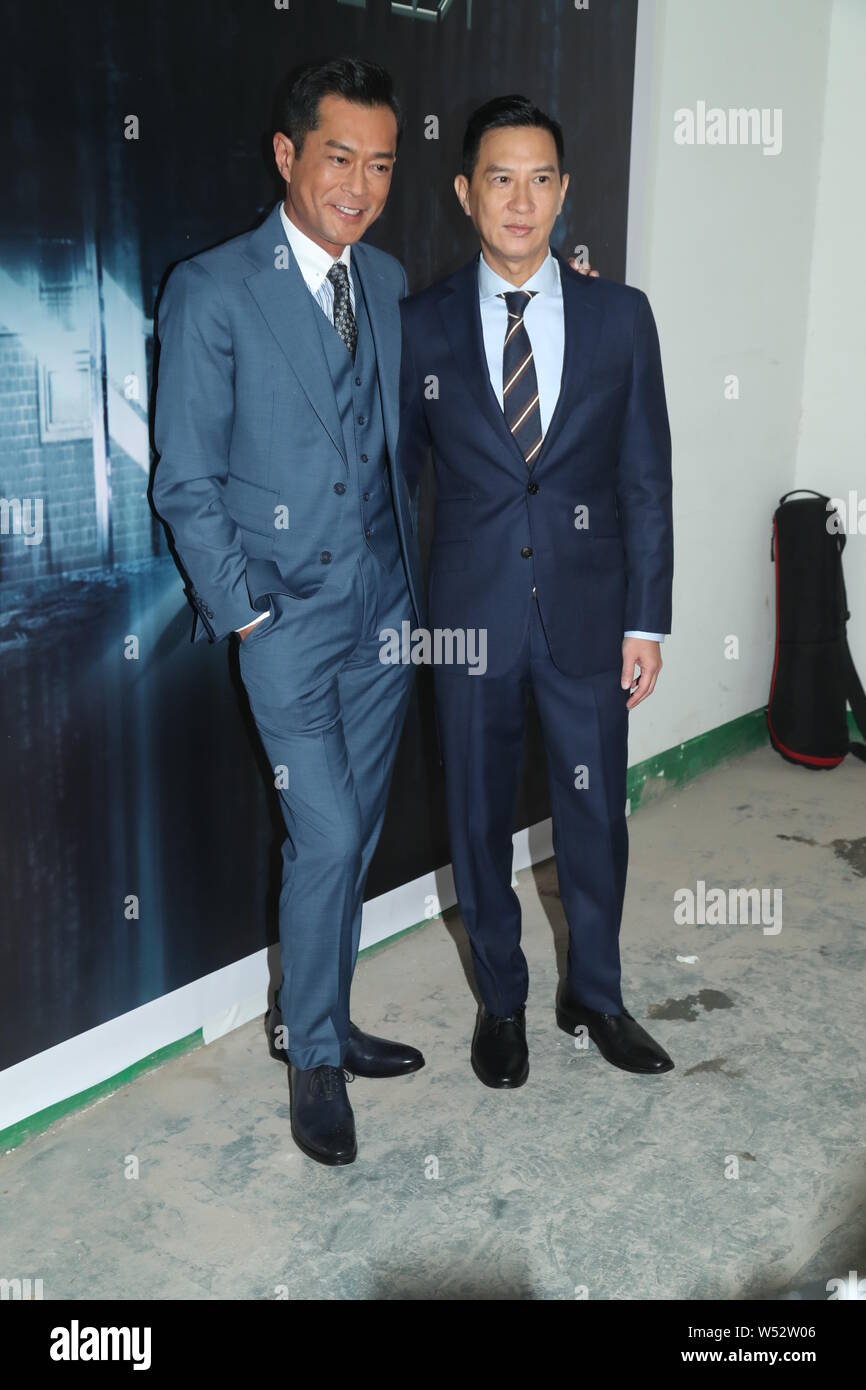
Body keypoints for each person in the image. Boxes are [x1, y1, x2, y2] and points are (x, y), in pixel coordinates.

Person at [153, 58, 427, 1167]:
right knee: (321, 832)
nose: (358, 185)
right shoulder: (214, 286)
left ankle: (311, 1010)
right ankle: (311, 1054)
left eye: (380, 163)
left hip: (386, 610)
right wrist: (247, 616)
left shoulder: (394, 282)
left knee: (351, 835)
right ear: (287, 156)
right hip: (286, 623)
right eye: (337, 158)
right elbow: (185, 478)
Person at [397, 95, 675, 1089]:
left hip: (590, 617)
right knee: (473, 817)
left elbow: (644, 477)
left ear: (564, 191)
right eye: (499, 178)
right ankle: (501, 1000)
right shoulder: (419, 326)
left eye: (540, 178)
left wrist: (645, 618)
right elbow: (395, 485)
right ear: (466, 192)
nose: (520, 200)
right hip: (467, 622)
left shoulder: (618, 316)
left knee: (594, 816)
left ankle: (594, 993)